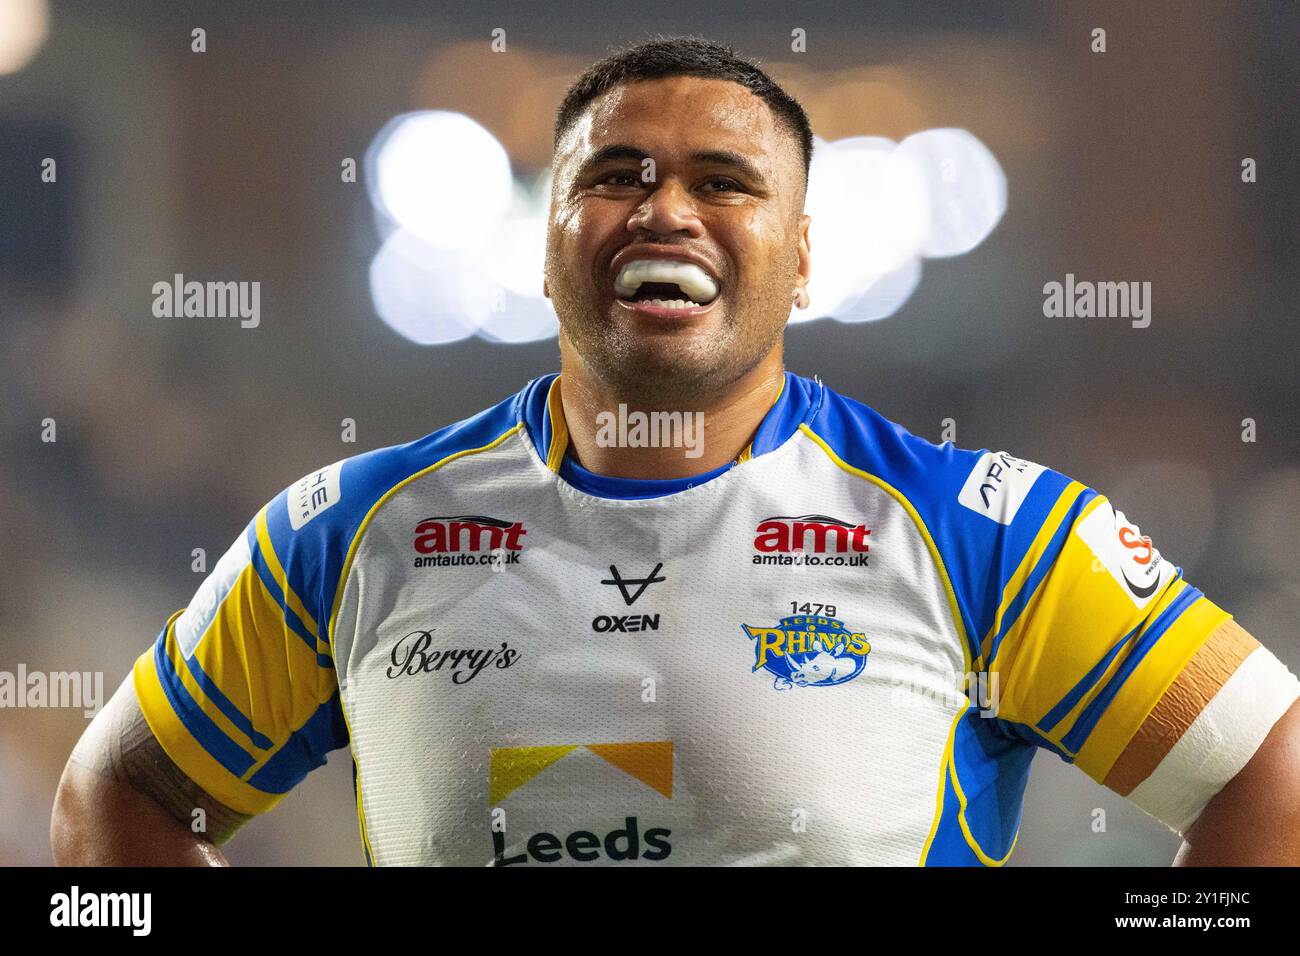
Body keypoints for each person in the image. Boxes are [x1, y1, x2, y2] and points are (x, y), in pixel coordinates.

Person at [51, 36, 1300, 866]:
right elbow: (109, 805)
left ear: (802, 257)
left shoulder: (988, 531)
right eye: (616, 174)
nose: (665, 210)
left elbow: (1268, 771)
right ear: (546, 244)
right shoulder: (346, 531)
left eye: (725, 180)